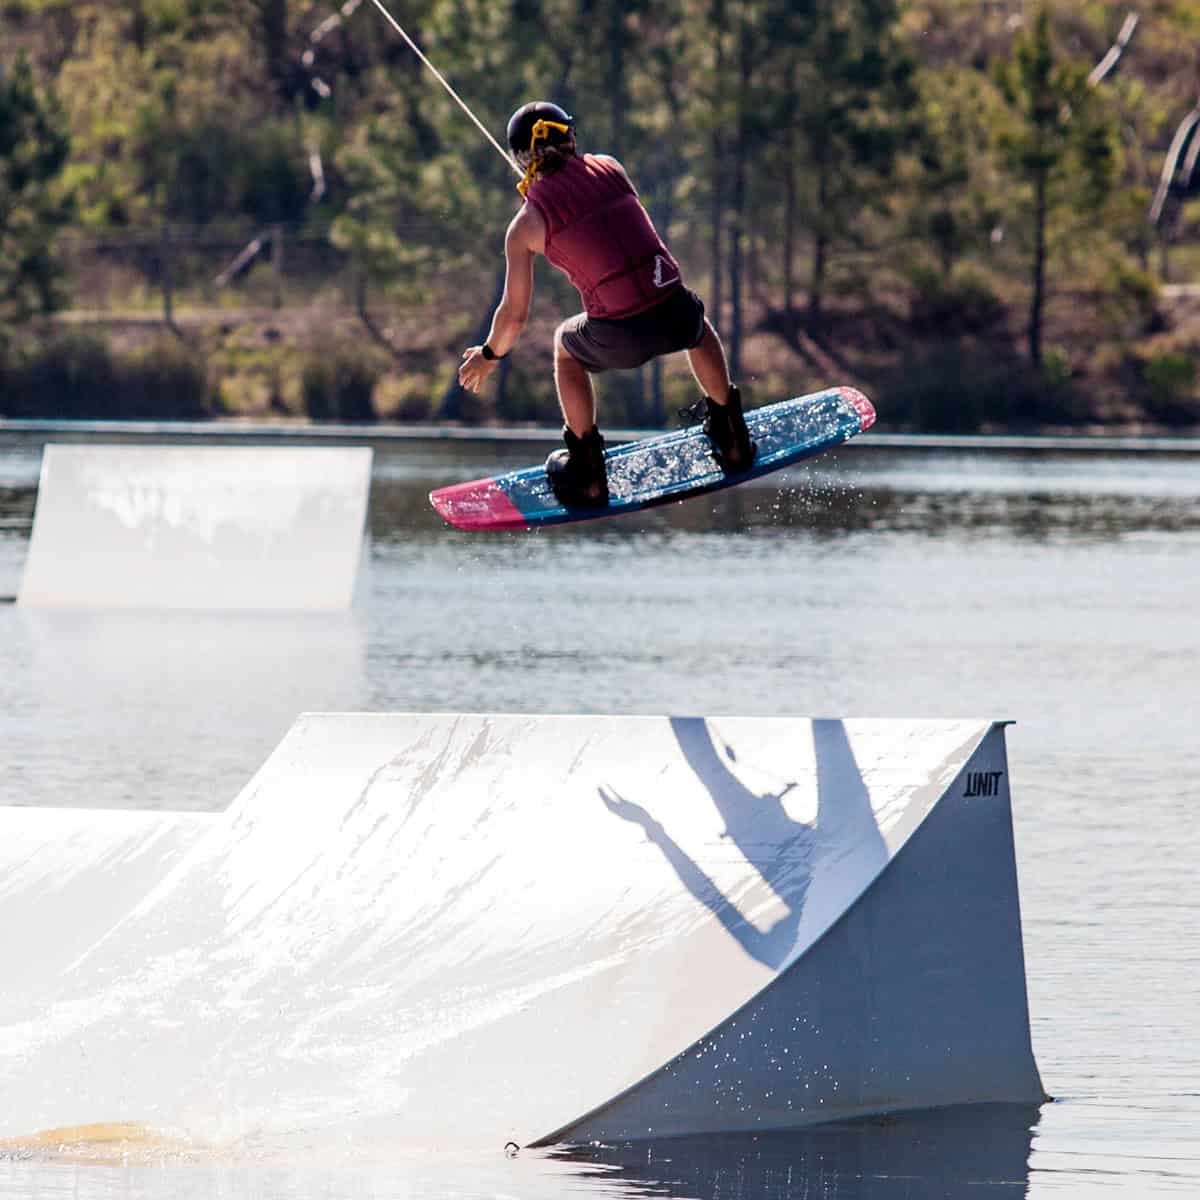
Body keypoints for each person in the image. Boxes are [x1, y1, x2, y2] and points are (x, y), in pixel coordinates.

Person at [457, 100, 755, 507]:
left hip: (621, 336)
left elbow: (514, 316)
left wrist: (490, 356)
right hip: (675, 313)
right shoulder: (611, 167)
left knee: (565, 345)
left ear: (520, 159)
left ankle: (586, 472)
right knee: (697, 323)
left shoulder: (525, 226)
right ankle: (731, 434)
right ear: (571, 138)